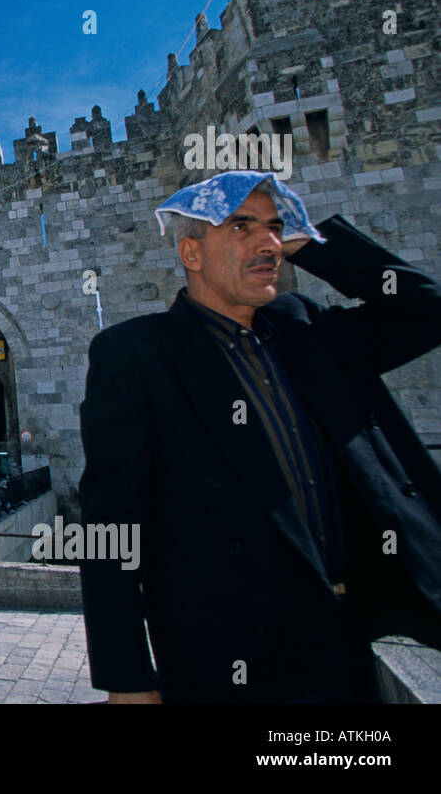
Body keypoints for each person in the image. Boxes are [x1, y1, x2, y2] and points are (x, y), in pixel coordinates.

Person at [80, 172, 441, 704]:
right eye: (241, 226)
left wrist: (314, 243)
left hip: (349, 639)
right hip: (231, 659)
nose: (266, 242)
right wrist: (128, 678)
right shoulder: (135, 354)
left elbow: (425, 309)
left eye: (274, 227)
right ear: (192, 253)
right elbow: (110, 528)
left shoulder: (307, 330)